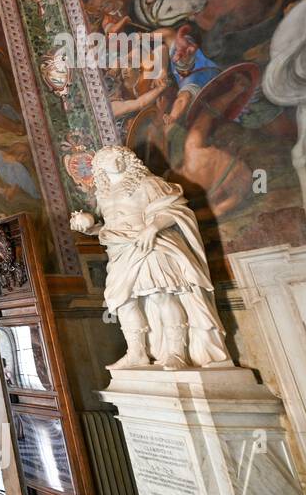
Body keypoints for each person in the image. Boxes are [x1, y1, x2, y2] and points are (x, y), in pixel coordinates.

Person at [70, 146, 231, 370]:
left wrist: (153, 228)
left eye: (120, 157)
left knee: (161, 296)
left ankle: (177, 353)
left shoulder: (148, 184)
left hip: (149, 246)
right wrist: (88, 227)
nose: (115, 161)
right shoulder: (103, 195)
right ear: (99, 166)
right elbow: (108, 227)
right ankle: (136, 353)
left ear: (128, 159)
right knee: (124, 302)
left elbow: (175, 210)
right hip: (120, 252)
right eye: (107, 159)